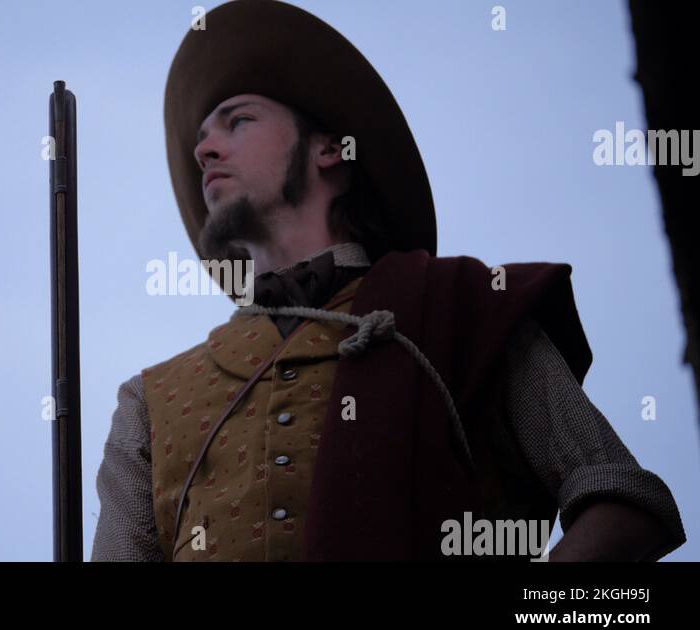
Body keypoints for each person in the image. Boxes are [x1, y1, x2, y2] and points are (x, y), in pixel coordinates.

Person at [91, 0, 686, 561]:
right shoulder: (149, 403)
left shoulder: (463, 312)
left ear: (330, 151)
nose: (205, 151)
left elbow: (624, 497)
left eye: (237, 122)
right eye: (200, 140)